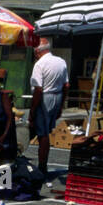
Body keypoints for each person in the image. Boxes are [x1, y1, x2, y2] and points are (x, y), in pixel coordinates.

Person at [28, 37, 69, 178]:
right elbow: (66, 86)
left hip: (45, 97)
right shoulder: (61, 62)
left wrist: (32, 111)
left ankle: (42, 165)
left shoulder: (39, 65)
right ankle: (42, 162)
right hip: (57, 96)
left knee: (42, 133)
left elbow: (38, 90)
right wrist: (62, 105)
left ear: (37, 52)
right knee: (45, 131)